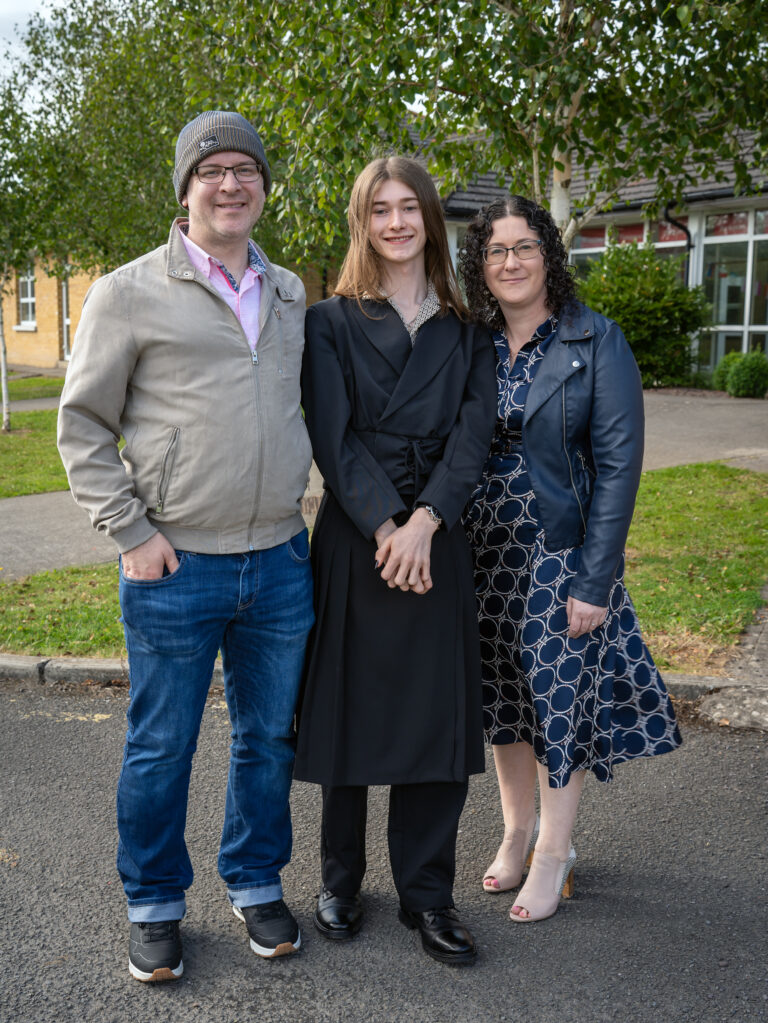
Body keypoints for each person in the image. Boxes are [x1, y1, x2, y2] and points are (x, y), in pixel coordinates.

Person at [57, 111, 315, 981]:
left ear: (264, 186)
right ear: (185, 189)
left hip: (278, 559)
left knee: (267, 739)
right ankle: (154, 902)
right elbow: (82, 426)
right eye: (212, 171)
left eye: (246, 169)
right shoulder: (127, 292)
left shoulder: (289, 293)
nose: (230, 184)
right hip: (172, 564)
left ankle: (255, 880)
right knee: (162, 744)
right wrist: (131, 532)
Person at [295, 156, 497, 965]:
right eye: (380, 209)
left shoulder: (468, 327)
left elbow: (474, 436)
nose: (396, 222)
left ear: (430, 219)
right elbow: (330, 434)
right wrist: (387, 525)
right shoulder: (330, 320)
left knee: (432, 716)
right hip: (358, 533)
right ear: (362, 222)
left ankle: (428, 893)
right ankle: (340, 879)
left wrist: (426, 522)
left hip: (438, 534)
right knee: (348, 709)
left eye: (409, 207)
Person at [458, 196, 682, 923]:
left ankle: (555, 852)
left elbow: (619, 468)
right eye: (496, 251)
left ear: (548, 254)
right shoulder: (473, 342)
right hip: (483, 551)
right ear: (480, 265)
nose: (511, 262)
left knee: (558, 698)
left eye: (524, 246)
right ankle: (516, 831)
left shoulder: (595, 339)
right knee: (504, 698)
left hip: (558, 549)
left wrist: (596, 577)